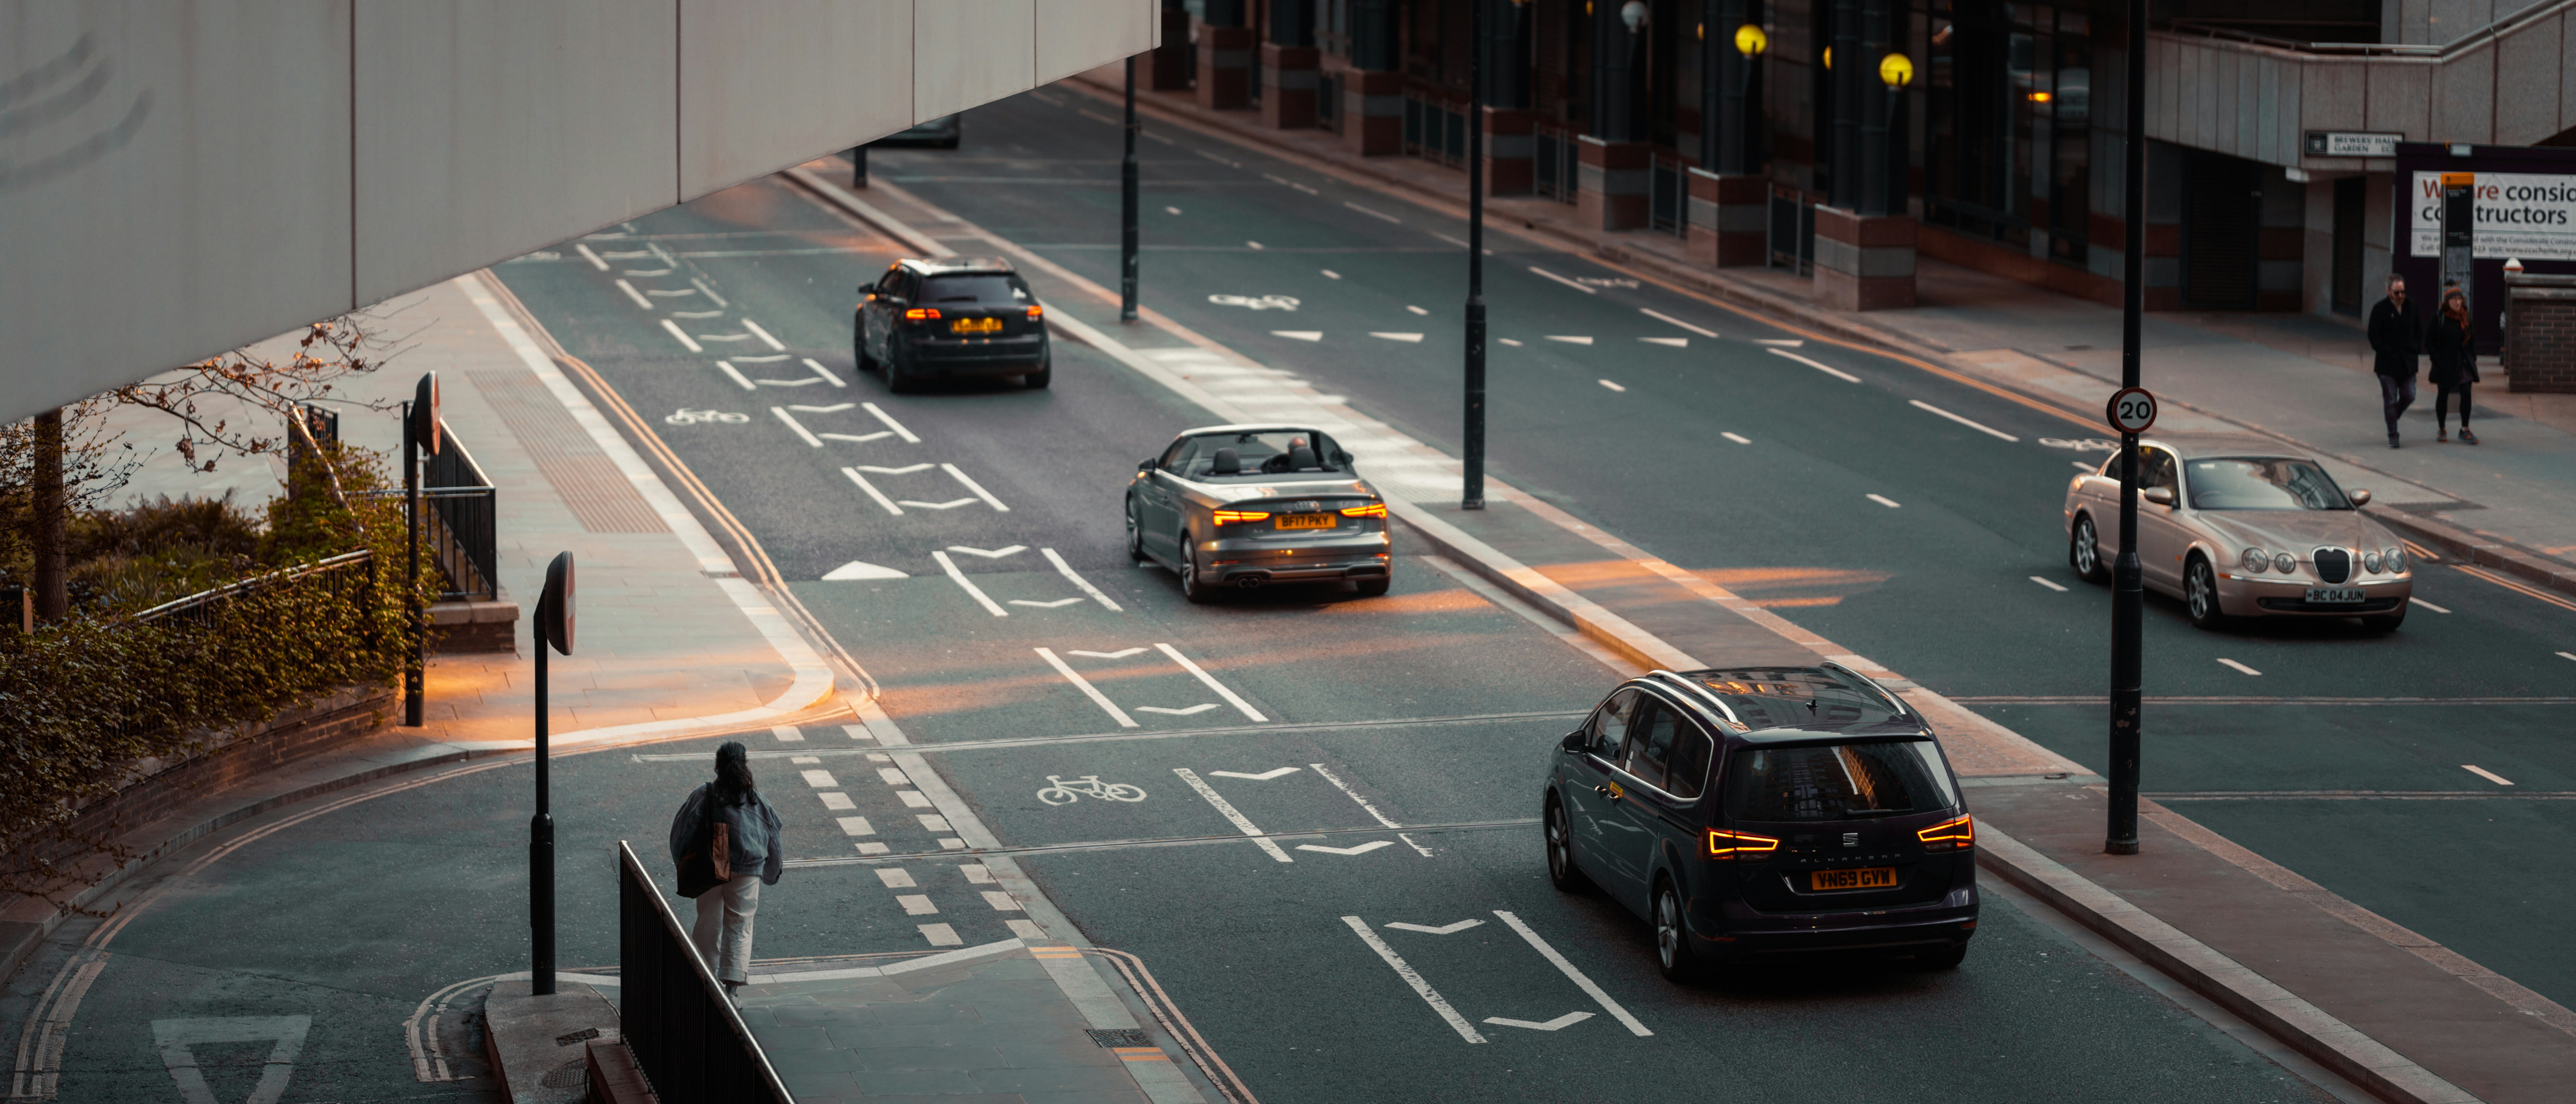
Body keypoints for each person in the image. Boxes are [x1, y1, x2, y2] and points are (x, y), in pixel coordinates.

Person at [668, 741, 783, 1000]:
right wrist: (771, 871)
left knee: (708, 919)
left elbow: (681, 831)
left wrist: (682, 863)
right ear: (744, 766)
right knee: (740, 924)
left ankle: (705, 981)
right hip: (749, 864)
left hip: (713, 861)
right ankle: (730, 989)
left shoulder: (705, 793)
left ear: (717, 765)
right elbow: (772, 836)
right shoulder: (756, 798)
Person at [2367, 273, 2424, 449]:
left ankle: (2393, 415)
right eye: (2397, 293)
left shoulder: (2411, 306)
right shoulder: (2380, 309)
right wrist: (2385, 351)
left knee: (2410, 395)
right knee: (2390, 400)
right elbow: (2373, 336)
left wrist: (2415, 349)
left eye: (2403, 292)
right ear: (2388, 291)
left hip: (2408, 363)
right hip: (2387, 365)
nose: (2401, 296)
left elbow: (2419, 330)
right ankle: (2393, 433)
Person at [2428, 287, 2480, 445]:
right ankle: (2442, 428)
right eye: (2454, 299)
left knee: (2466, 392)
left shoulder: (2465, 317)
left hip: (2463, 361)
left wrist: (2473, 356)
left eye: (2460, 299)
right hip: (2445, 362)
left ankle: (2465, 429)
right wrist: (2436, 358)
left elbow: (2472, 338)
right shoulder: (2440, 318)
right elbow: (2429, 341)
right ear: (2447, 302)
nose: (2458, 302)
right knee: (2443, 394)